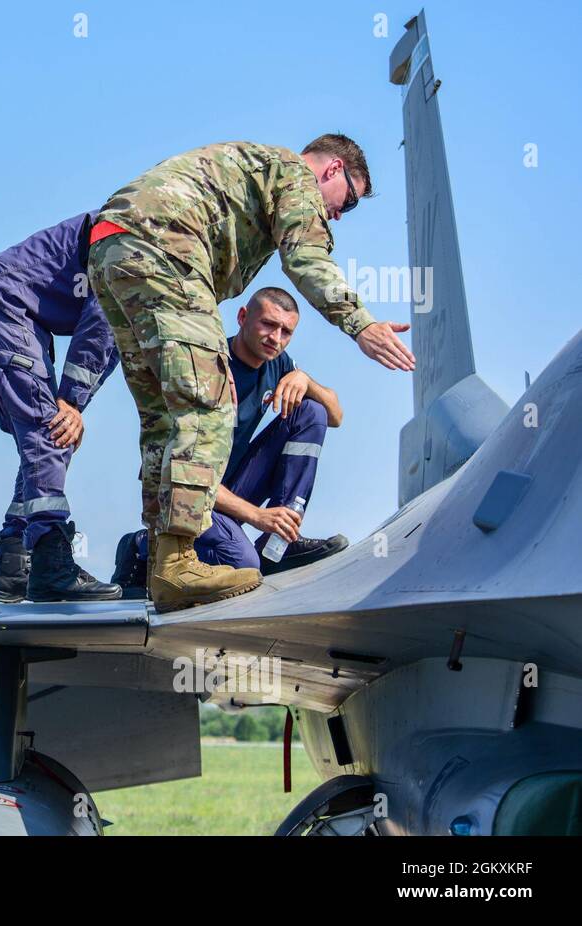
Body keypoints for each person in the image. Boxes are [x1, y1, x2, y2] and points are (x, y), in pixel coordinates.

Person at [87, 135, 414, 612]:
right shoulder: (295, 175)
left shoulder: (257, 168)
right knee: (208, 403)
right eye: (348, 200)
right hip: (168, 247)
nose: (340, 214)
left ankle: (165, 559)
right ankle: (175, 563)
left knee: (165, 417)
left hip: (112, 245)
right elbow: (305, 258)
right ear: (332, 169)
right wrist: (360, 324)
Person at [112, 287, 349, 597]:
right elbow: (183, 470)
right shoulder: (207, 369)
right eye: (267, 324)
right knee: (243, 566)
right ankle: (142, 547)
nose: (275, 338)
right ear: (242, 317)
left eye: (285, 331)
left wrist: (304, 379)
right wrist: (258, 516)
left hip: (225, 490)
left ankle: (278, 544)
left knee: (311, 411)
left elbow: (335, 415)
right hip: (185, 495)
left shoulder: (276, 364)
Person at [0, 211, 122, 602]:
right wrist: (70, 403)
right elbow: (99, 324)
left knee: (51, 435)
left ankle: (15, 565)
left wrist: (74, 407)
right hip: (1, 302)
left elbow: (112, 345)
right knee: (49, 428)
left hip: (14, 309)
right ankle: (49, 561)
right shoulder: (135, 240)